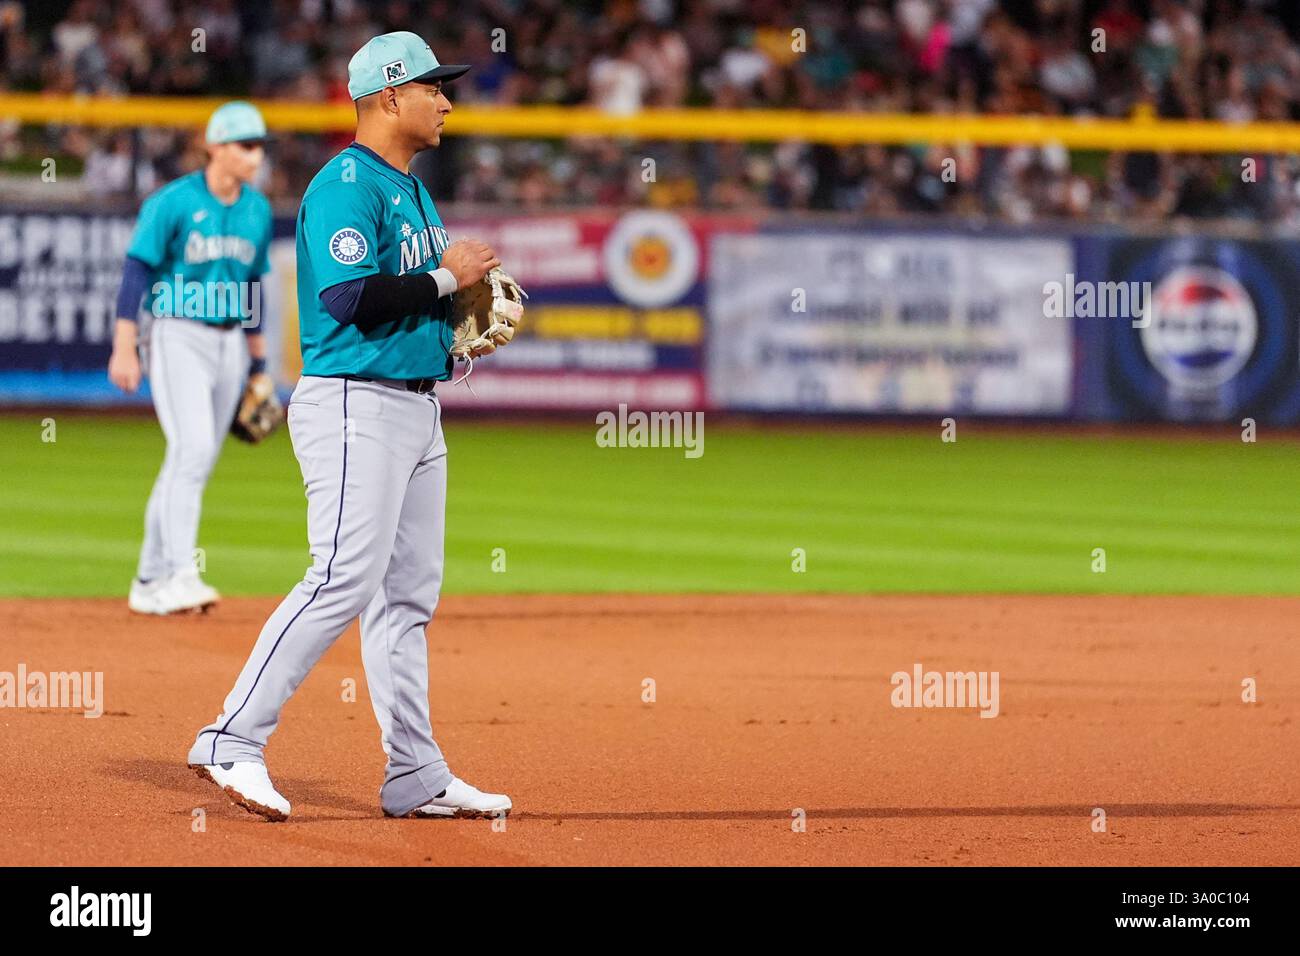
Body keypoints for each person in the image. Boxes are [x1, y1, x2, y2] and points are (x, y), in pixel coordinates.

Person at [186, 33, 511, 821]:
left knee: (406, 600)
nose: (447, 100)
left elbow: (414, 294)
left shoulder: (414, 188)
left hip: (417, 406)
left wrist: (454, 311)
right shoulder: (346, 183)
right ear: (388, 95)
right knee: (340, 578)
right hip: (351, 402)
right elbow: (348, 298)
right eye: (434, 87)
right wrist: (447, 277)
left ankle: (415, 774)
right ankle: (232, 739)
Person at [109, 102, 273, 615]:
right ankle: (181, 574)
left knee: (191, 460)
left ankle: (148, 580)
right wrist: (124, 344)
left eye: (259, 145)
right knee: (194, 447)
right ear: (216, 146)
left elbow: (252, 287)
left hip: (228, 343)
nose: (255, 154)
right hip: (177, 332)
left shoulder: (258, 210)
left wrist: (259, 362)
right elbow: (136, 271)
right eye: (246, 144)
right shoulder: (172, 202)